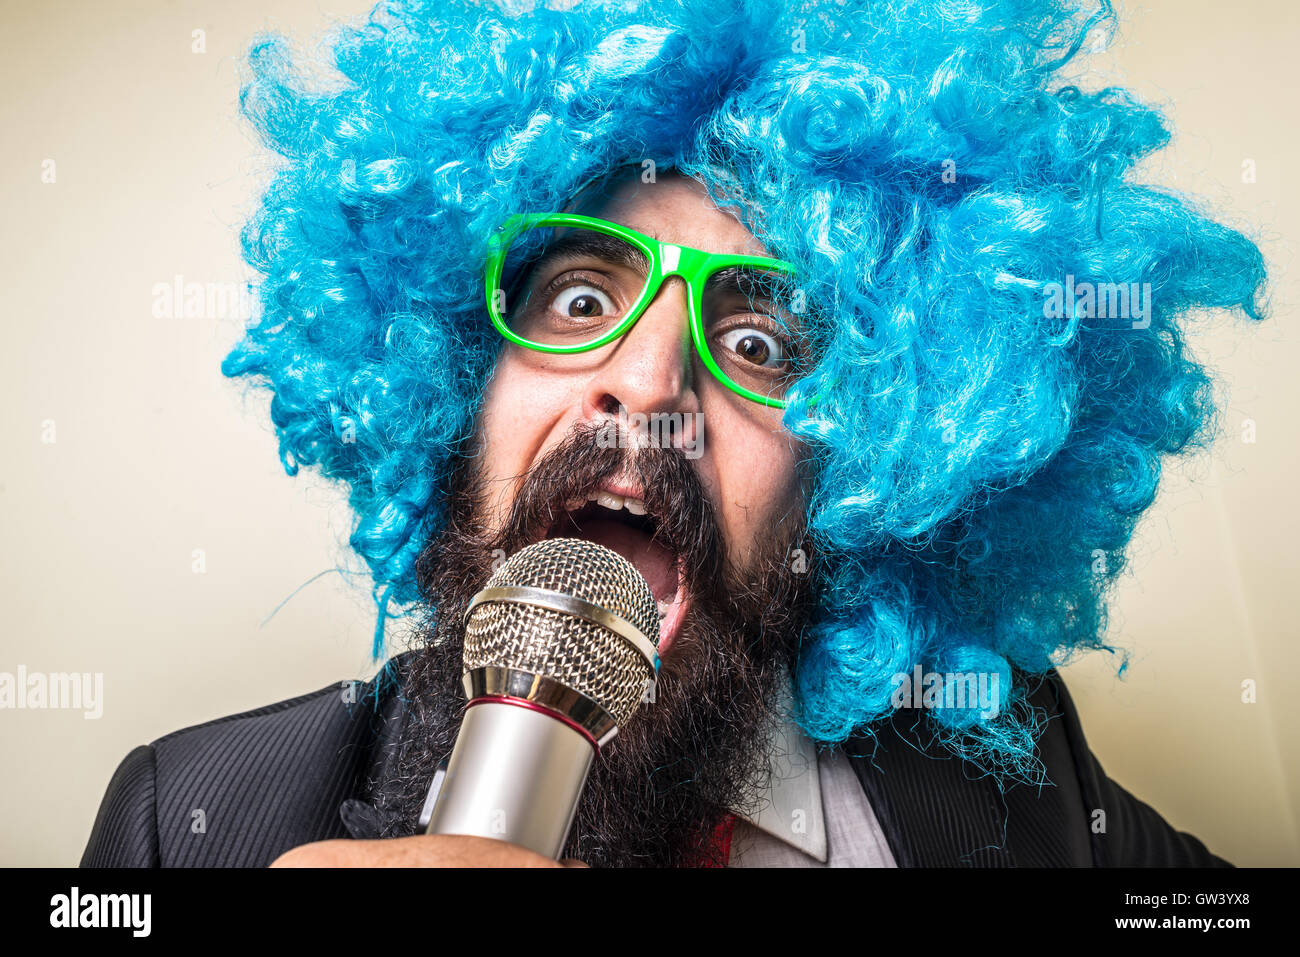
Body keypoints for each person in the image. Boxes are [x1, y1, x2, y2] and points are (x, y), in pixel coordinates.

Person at [82, 0, 1264, 868]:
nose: (649, 386)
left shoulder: (1007, 768)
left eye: (756, 344)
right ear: (450, 383)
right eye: (581, 301)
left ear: (855, 467)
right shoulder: (184, 821)